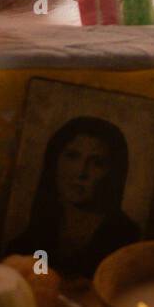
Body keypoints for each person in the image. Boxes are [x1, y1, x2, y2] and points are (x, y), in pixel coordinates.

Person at [10, 117, 139, 278]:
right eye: (72, 156)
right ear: (55, 161)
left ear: (112, 173)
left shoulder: (128, 243)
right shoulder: (27, 243)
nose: (81, 172)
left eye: (96, 163)